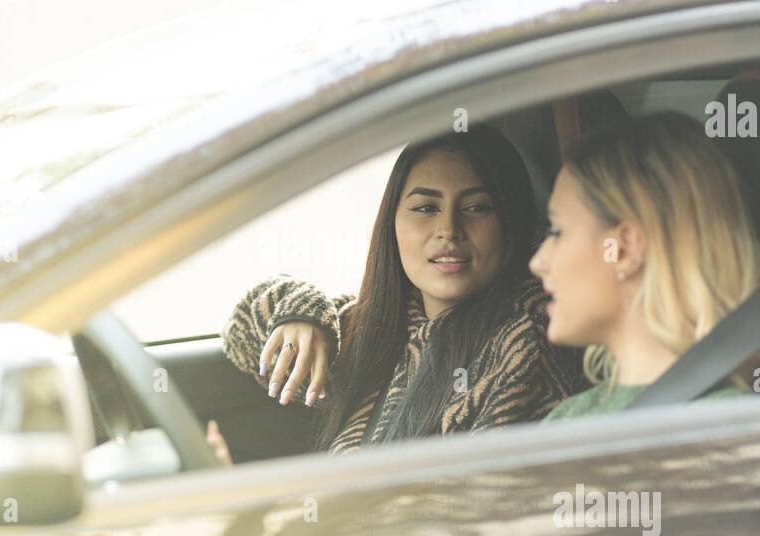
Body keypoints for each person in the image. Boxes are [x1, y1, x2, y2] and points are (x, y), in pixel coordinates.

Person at [212, 122, 588, 461]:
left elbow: (478, 514)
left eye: (477, 208)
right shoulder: (384, 325)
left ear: (511, 222)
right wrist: (302, 315)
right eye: (426, 208)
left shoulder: (525, 340)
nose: (449, 230)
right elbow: (240, 333)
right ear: (392, 224)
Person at [529, 111, 760, 422]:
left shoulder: (725, 429)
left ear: (624, 248)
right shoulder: (567, 416)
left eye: (557, 232)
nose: (537, 262)